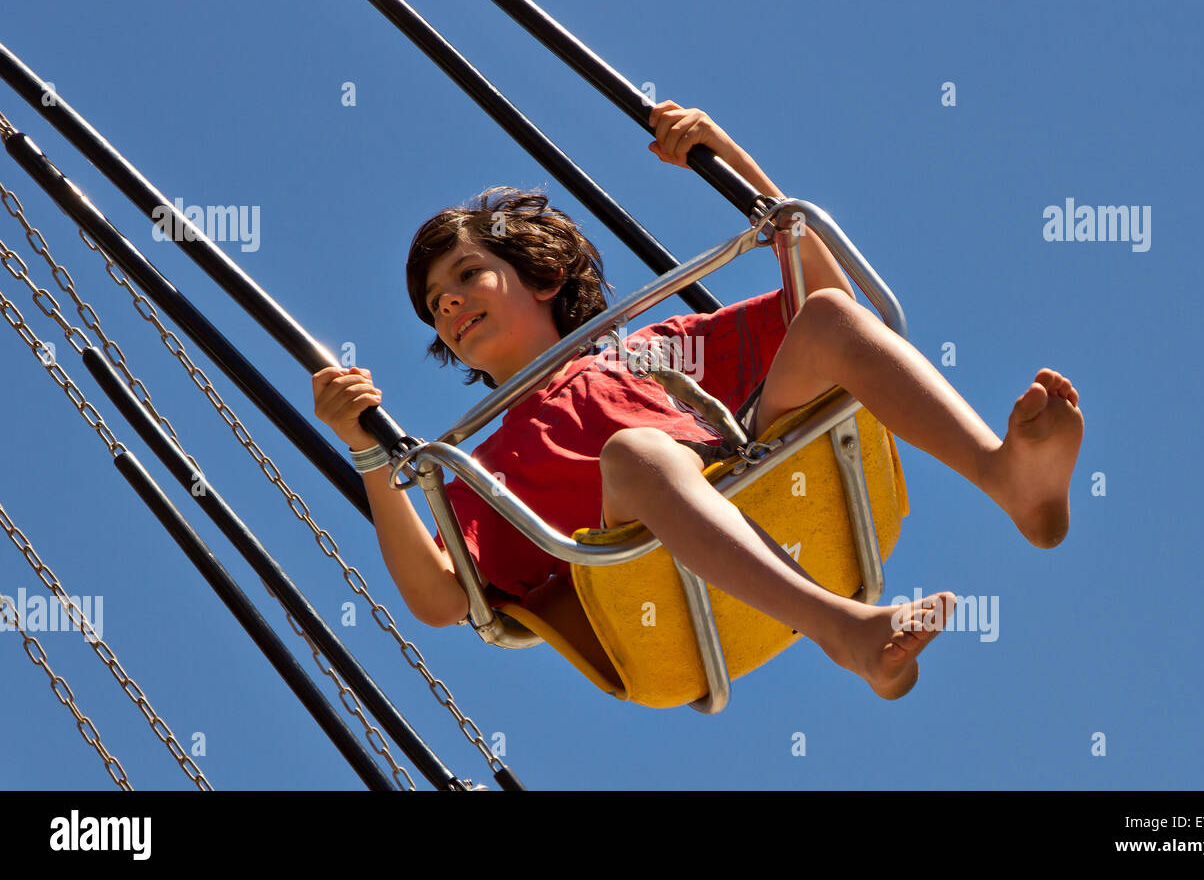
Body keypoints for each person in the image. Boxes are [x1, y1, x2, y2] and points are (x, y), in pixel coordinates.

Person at [312, 100, 1084, 700]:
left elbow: (823, 290)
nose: (447, 304)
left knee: (826, 320)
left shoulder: (651, 349)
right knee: (639, 452)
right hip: (650, 588)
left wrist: (734, 165)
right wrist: (369, 450)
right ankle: (845, 630)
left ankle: (1005, 473)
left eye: (465, 276)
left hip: (751, 467)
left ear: (542, 278)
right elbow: (444, 601)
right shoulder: (487, 467)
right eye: (432, 305)